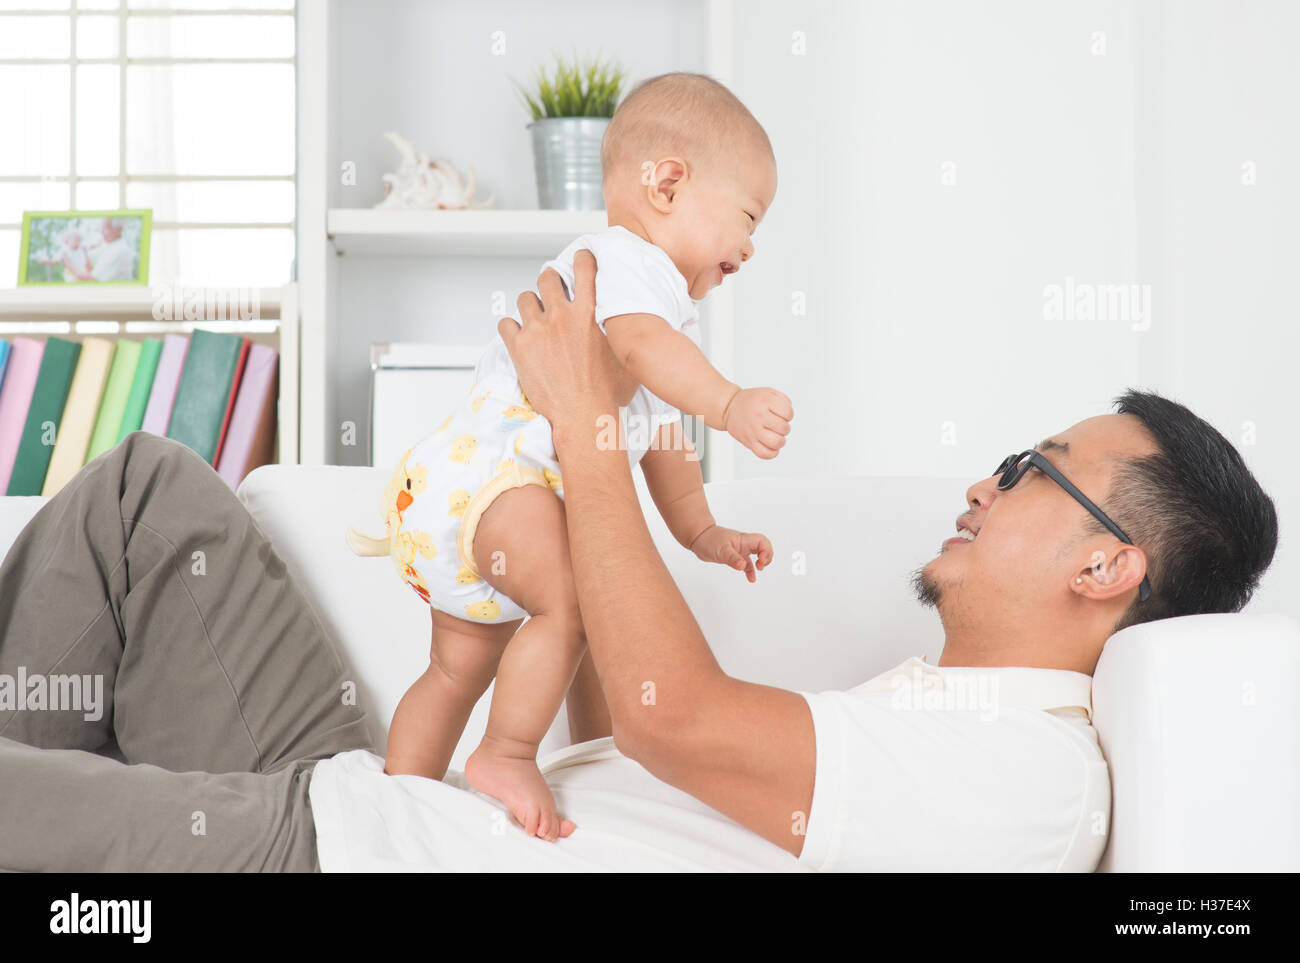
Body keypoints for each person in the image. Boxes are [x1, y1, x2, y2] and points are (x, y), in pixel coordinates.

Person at [0, 255, 1277, 871]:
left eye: (1026, 469)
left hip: (353, 856)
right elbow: (639, 740)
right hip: (379, 798)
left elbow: (676, 722)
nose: (979, 486)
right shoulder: (930, 707)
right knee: (141, 498)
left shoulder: (1027, 780)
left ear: (1109, 567)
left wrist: (585, 427)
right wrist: (576, 499)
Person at [349, 72, 791, 841]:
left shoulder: (651, 331)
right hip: (495, 482)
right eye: (748, 217)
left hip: (449, 501)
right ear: (668, 183)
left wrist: (703, 532)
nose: (750, 246)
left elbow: (661, 441)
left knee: (456, 670)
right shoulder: (624, 264)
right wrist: (728, 401)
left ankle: (397, 805)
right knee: (578, 599)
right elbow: (654, 356)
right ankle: (506, 751)